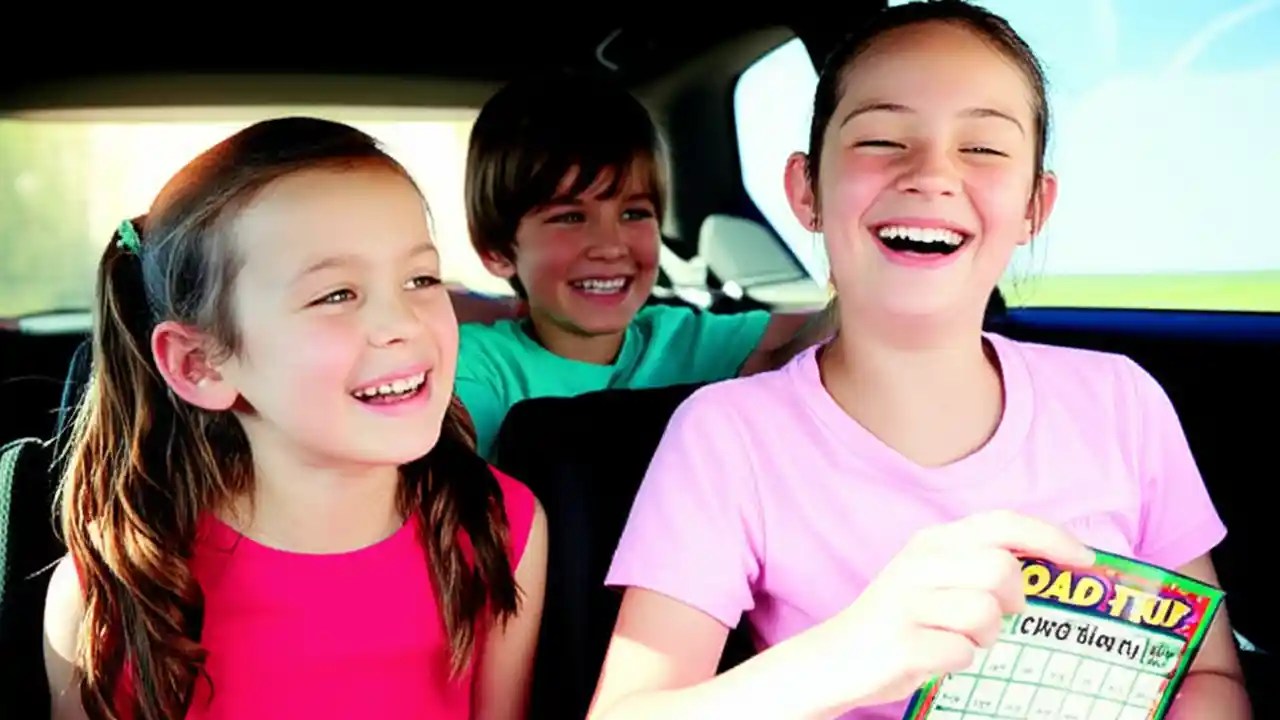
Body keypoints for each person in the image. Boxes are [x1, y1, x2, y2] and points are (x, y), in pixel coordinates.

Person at [589, 2, 1250, 718]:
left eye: (985, 149)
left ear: (1035, 205)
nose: (932, 173)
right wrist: (852, 654)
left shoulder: (1121, 403)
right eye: (881, 139)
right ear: (806, 190)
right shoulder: (727, 435)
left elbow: (1208, 678)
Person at [42, 117, 548, 720]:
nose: (404, 323)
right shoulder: (115, 587)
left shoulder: (497, 526)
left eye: (421, 278)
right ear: (200, 364)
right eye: (335, 294)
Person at [456, 71, 831, 458]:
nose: (610, 246)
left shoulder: (681, 338)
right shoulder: (481, 367)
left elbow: (826, 332)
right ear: (497, 251)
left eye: (634, 213)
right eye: (569, 217)